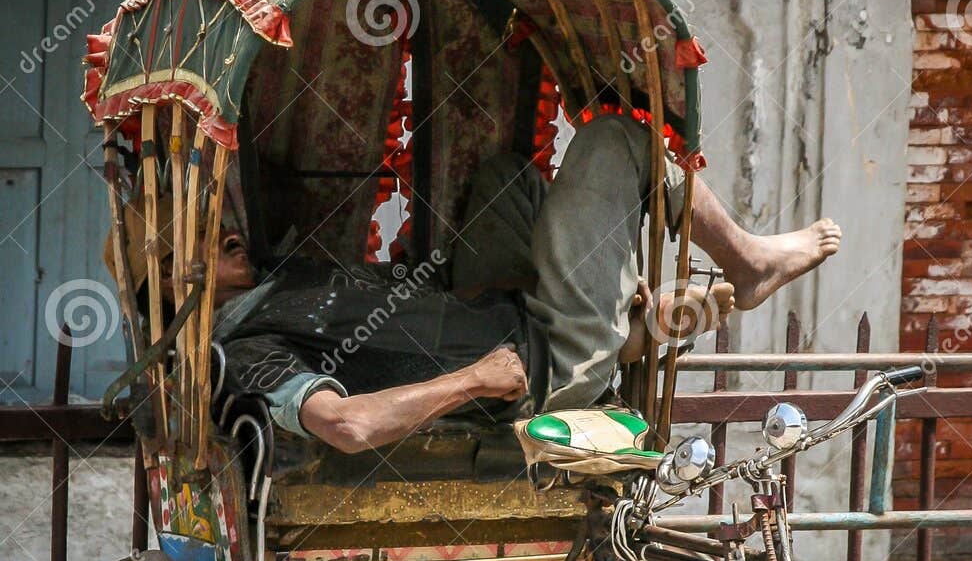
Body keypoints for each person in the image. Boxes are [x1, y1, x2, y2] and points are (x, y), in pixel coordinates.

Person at [114, 115, 841, 456]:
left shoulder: (276, 278)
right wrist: (473, 380)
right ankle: (743, 266)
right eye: (199, 244)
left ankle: (620, 319)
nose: (227, 236)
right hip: (538, 364)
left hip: (498, 309)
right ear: (175, 291)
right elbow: (349, 426)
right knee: (616, 140)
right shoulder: (246, 349)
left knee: (503, 178)